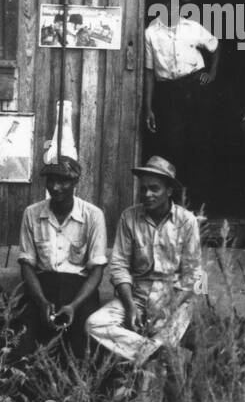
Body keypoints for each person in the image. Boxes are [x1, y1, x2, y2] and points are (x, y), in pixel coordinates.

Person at [85, 156, 202, 365]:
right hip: (137, 296)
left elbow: (194, 275)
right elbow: (119, 267)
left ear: (169, 191)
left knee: (166, 334)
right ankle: (154, 352)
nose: (147, 194)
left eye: (154, 188)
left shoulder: (187, 221)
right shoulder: (129, 217)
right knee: (95, 324)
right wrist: (130, 307)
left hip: (174, 299)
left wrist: (169, 308)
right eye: (143, 188)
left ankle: (151, 354)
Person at [16, 156, 107, 359]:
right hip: (42, 287)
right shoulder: (31, 213)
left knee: (83, 346)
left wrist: (74, 306)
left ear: (76, 182)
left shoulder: (93, 215)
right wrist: (41, 302)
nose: (56, 187)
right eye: (51, 181)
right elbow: (27, 265)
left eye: (63, 181)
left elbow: (97, 271)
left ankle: (79, 389)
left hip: (80, 290)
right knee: (24, 340)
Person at [142, 0, 221, 206]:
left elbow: (215, 47)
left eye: (176, 4)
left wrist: (212, 74)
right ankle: (175, 202)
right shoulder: (151, 33)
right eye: (167, 4)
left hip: (195, 88)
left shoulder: (193, 28)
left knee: (200, 142)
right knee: (173, 145)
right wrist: (148, 108)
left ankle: (200, 203)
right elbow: (149, 73)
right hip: (169, 94)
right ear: (161, 6)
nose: (171, 8)